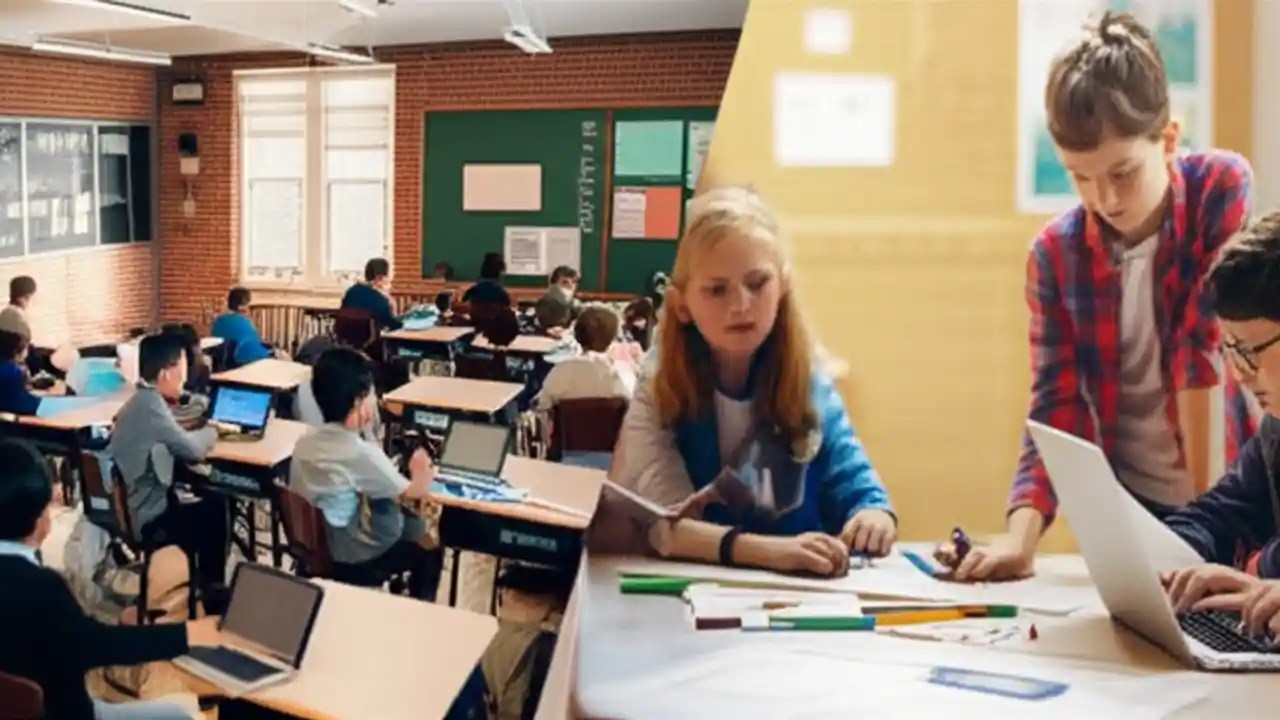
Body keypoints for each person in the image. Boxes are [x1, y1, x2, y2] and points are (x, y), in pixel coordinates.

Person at [935, 11, 1256, 583]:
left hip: (1228, 503)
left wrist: (1214, 538)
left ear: (1169, 141)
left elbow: (1206, 349)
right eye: (1079, 177)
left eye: (1122, 173)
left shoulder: (1220, 187)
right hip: (1135, 514)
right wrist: (1020, 541)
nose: (1102, 198)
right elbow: (1056, 406)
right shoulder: (1055, 257)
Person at [611, 186, 896, 577]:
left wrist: (873, 514)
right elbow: (666, 523)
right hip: (695, 591)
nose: (741, 305)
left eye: (758, 283)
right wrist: (768, 552)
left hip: (801, 597)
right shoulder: (659, 387)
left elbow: (856, 483)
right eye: (716, 290)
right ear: (682, 306)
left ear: (783, 286)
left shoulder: (810, 380)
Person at [0, 438, 221, 720]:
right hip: (67, 712)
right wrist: (189, 634)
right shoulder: (42, 589)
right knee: (179, 715)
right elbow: (99, 645)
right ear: (42, 516)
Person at [290, 347, 444, 601]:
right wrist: (422, 474)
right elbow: (410, 494)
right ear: (359, 401)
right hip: (354, 559)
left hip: (316, 551)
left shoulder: (304, 443)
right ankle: (422, 611)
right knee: (429, 546)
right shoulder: (359, 453)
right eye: (372, 392)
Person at [108, 333, 228, 597]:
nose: (184, 380)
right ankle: (212, 592)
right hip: (149, 519)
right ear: (165, 374)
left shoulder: (139, 401)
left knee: (206, 500)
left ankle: (201, 584)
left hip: (135, 506)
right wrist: (214, 430)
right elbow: (194, 450)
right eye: (181, 372)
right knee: (216, 507)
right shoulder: (152, 407)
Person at [535, 305, 631, 411]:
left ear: (577, 334)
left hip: (566, 427)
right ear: (613, 338)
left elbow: (542, 408)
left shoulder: (560, 371)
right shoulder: (622, 376)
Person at [210, 286, 273, 366]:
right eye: (248, 304)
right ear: (242, 306)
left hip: (223, 365)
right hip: (245, 364)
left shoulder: (218, 322)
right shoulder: (245, 323)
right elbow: (257, 350)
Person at [341, 258, 402, 332]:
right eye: (392, 271)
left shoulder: (352, 291)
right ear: (381, 277)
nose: (394, 273)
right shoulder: (381, 299)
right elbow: (392, 325)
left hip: (347, 338)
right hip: (375, 340)